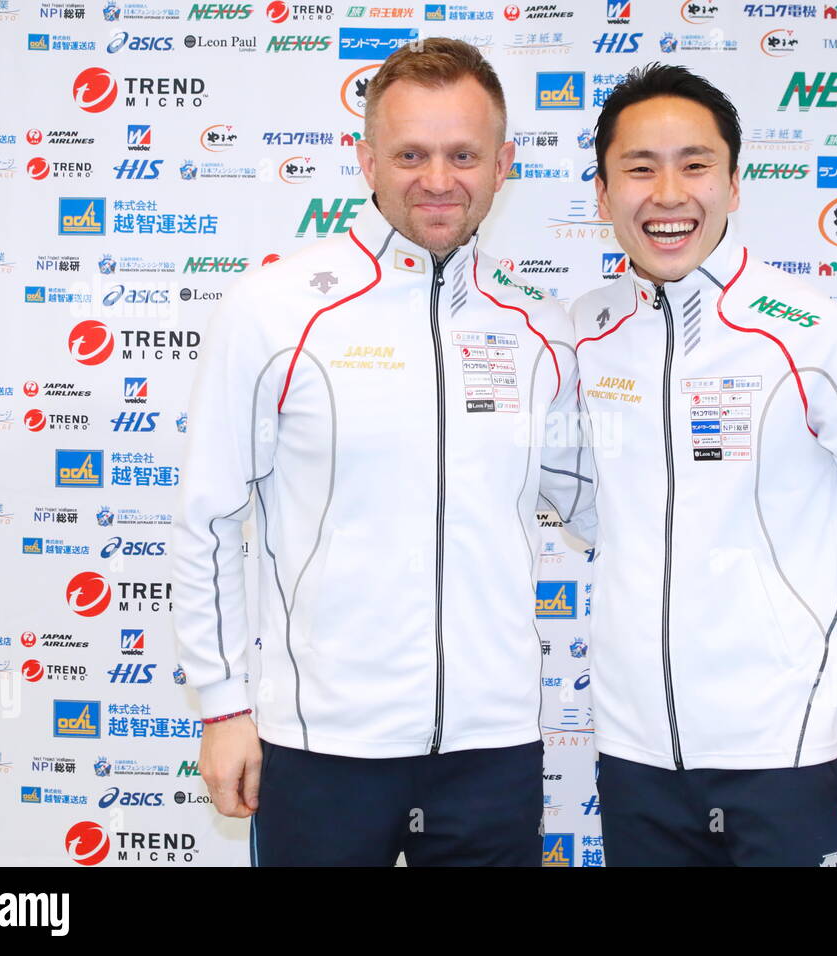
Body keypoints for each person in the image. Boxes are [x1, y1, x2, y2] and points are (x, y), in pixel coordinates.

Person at [171, 38, 591, 866]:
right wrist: (223, 709)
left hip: (492, 748)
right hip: (322, 744)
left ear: (503, 163)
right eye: (411, 154)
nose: (438, 180)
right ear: (366, 159)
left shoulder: (541, 329)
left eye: (463, 153)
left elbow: (608, 508)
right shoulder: (275, 310)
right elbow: (209, 518)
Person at [571, 64, 837, 866]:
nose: (668, 193)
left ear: (735, 185)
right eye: (639, 168)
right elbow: (575, 496)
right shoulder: (583, 331)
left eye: (695, 164)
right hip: (636, 751)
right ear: (603, 196)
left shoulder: (814, 333)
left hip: (792, 748)